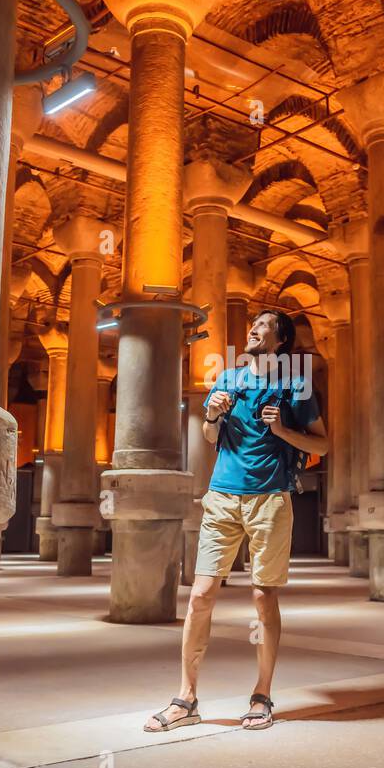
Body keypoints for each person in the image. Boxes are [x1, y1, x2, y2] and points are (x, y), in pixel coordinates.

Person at [144, 310, 329, 732]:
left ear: (281, 340)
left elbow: (324, 442)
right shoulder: (228, 378)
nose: (253, 328)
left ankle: (262, 695)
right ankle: (186, 699)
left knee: (264, 598)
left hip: (270, 499)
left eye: (264, 325)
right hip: (222, 495)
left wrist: (282, 430)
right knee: (200, 596)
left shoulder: (295, 384)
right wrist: (211, 416)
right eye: (253, 324)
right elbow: (211, 437)